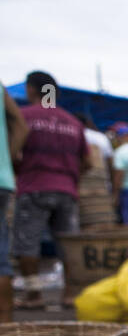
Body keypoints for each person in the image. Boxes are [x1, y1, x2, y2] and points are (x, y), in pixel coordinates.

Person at [13, 71, 90, 309]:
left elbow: (13, 153)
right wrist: (70, 175)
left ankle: (34, 295)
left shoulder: (23, 117)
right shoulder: (73, 122)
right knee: (67, 243)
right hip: (66, 189)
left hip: (34, 186)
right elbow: (87, 162)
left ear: (31, 90)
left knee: (28, 243)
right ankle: (70, 294)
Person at [0, 82, 29, 319]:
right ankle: (6, 333)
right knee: (1, 258)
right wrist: (6, 161)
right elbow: (20, 126)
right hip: (3, 180)